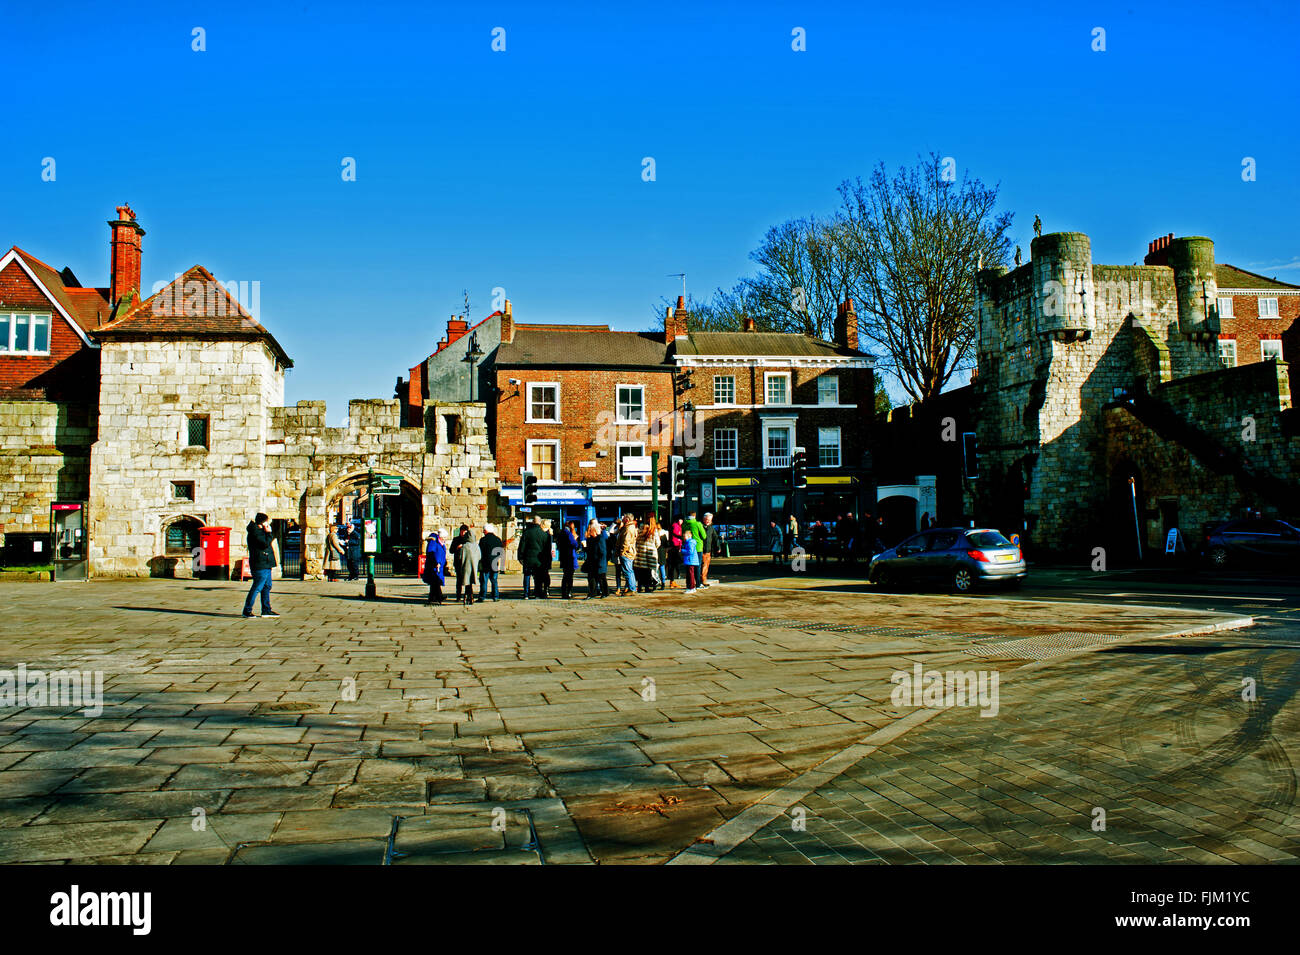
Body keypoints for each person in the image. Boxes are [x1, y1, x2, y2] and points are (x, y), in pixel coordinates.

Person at [242, 513, 279, 618]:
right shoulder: (255, 533)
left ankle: (266, 610)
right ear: (262, 523)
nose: (268, 523)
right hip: (260, 564)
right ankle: (247, 610)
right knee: (257, 587)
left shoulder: (259, 532)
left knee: (267, 586)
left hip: (266, 563)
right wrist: (268, 533)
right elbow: (264, 544)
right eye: (267, 521)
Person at [517, 517, 546, 599]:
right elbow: (546, 548)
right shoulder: (543, 534)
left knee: (527, 576)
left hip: (528, 558)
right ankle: (537, 593)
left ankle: (526, 593)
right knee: (538, 577)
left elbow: (522, 546)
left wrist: (520, 557)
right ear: (540, 523)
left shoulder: (527, 533)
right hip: (539, 559)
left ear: (533, 522)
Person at [478, 523, 505, 602]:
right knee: (494, 580)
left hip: (485, 563)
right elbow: (501, 552)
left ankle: (482, 596)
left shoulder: (483, 540)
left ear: (486, 531)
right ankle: (495, 596)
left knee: (484, 581)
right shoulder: (498, 539)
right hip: (494, 563)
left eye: (484, 530)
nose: (483, 532)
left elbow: (480, 552)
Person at [582, 519, 607, 599]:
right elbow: (589, 551)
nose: (590, 532)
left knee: (601, 578)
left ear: (595, 531)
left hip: (599, 562)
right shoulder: (591, 540)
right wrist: (584, 547)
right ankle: (591, 593)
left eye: (591, 531)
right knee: (591, 578)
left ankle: (605, 593)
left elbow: (603, 552)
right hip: (592, 562)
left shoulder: (600, 539)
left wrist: (600, 561)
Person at [455, 528, 480, 606]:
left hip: (465, 566)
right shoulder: (476, 546)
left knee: (466, 581)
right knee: (471, 581)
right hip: (474, 566)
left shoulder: (464, 546)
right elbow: (480, 556)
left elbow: (460, 557)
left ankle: (466, 596)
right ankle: (471, 596)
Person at [422, 530, 447, 604]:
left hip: (438, 566)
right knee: (436, 582)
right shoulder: (433, 542)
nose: (445, 539)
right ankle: (439, 597)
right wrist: (436, 563)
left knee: (434, 583)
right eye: (444, 537)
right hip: (434, 566)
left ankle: (432, 597)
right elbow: (431, 554)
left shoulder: (440, 543)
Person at [557, 520, 580, 599]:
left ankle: (563, 592)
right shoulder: (568, 533)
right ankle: (568, 592)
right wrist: (575, 538)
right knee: (569, 576)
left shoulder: (560, 533)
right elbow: (574, 544)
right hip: (570, 557)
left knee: (565, 576)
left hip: (563, 556)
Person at [635, 519, 659, 593]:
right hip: (650, 554)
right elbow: (658, 543)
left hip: (640, 554)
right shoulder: (653, 531)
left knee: (640, 571)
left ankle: (639, 587)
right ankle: (647, 587)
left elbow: (636, 540)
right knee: (648, 572)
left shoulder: (640, 530)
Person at [617, 514, 638, 595]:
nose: (622, 518)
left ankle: (631, 589)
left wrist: (622, 552)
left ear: (627, 519)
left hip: (627, 553)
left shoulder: (628, 529)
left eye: (624, 517)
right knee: (630, 571)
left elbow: (626, 541)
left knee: (628, 571)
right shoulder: (629, 527)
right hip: (629, 552)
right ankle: (632, 588)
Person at [449, 524, 469, 599]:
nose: (463, 534)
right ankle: (458, 595)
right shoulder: (456, 539)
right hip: (458, 562)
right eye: (462, 532)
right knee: (459, 580)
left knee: (467, 580)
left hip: (466, 562)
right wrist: (457, 547)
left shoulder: (469, 540)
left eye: (465, 532)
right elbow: (451, 550)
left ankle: (467, 595)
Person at [700, 512, 720, 589]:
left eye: (710, 520)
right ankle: (701, 580)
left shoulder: (711, 528)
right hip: (701, 550)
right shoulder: (700, 527)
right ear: (703, 519)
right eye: (707, 519)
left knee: (706, 566)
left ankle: (703, 580)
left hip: (708, 550)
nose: (708, 521)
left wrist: (718, 547)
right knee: (702, 566)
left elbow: (715, 538)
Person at [536, 519, 554, 598]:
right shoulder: (549, 534)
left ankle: (543, 590)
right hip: (546, 557)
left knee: (541, 574)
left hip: (542, 556)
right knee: (545, 574)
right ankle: (546, 590)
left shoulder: (545, 534)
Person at [681, 526, 701, 593]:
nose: (683, 537)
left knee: (690, 575)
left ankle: (691, 587)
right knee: (689, 574)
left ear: (688, 536)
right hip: (690, 560)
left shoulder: (690, 542)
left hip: (690, 561)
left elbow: (690, 551)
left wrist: (682, 550)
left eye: (684, 536)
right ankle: (690, 587)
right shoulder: (689, 542)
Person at [666, 515, 683, 588]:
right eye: (681, 520)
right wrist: (680, 538)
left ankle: (672, 581)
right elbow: (676, 535)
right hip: (675, 547)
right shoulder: (676, 526)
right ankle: (672, 580)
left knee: (673, 564)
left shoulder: (675, 525)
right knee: (675, 563)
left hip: (674, 546)